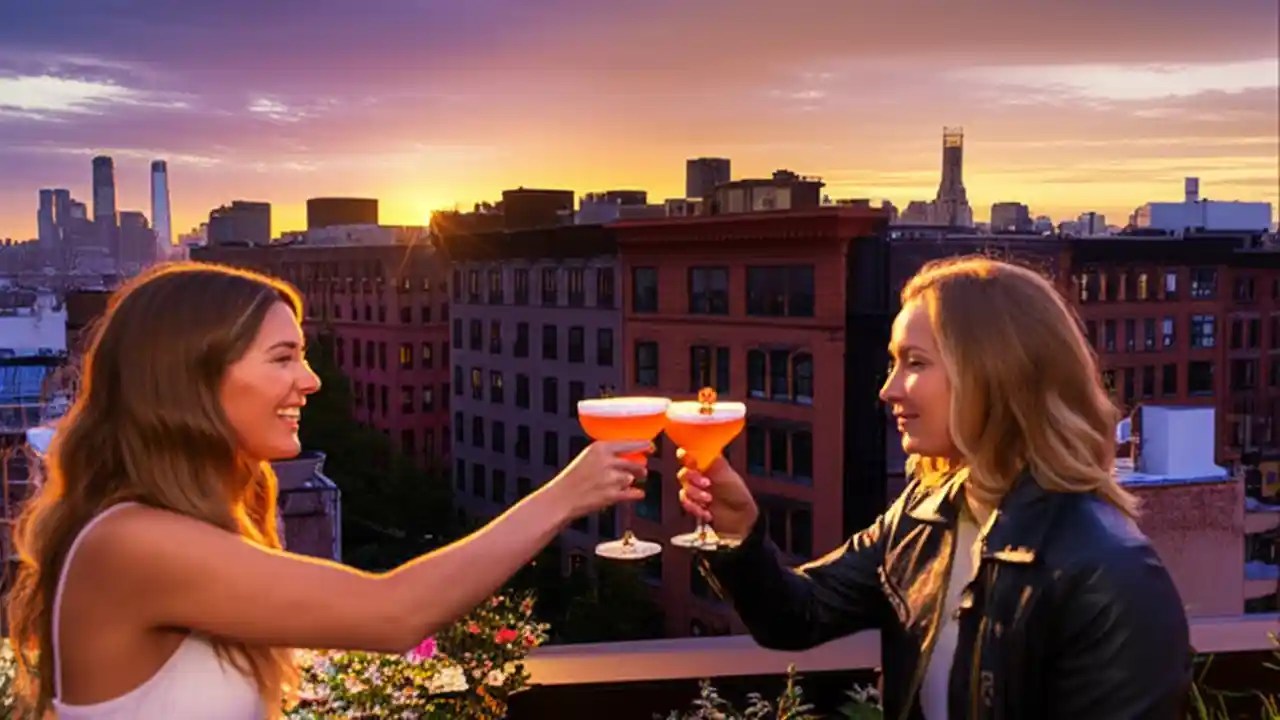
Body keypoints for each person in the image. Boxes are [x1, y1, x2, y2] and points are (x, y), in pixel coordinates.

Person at [7, 261, 650, 719]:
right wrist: (565, 494)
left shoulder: (174, 528)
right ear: (190, 382)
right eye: (283, 358)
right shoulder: (135, 542)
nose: (311, 381)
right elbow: (394, 614)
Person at [678, 256, 1191, 720]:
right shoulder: (925, 515)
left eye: (916, 363)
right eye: (893, 363)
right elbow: (797, 616)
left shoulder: (1110, 574)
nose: (888, 389)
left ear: (995, 373)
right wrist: (738, 532)